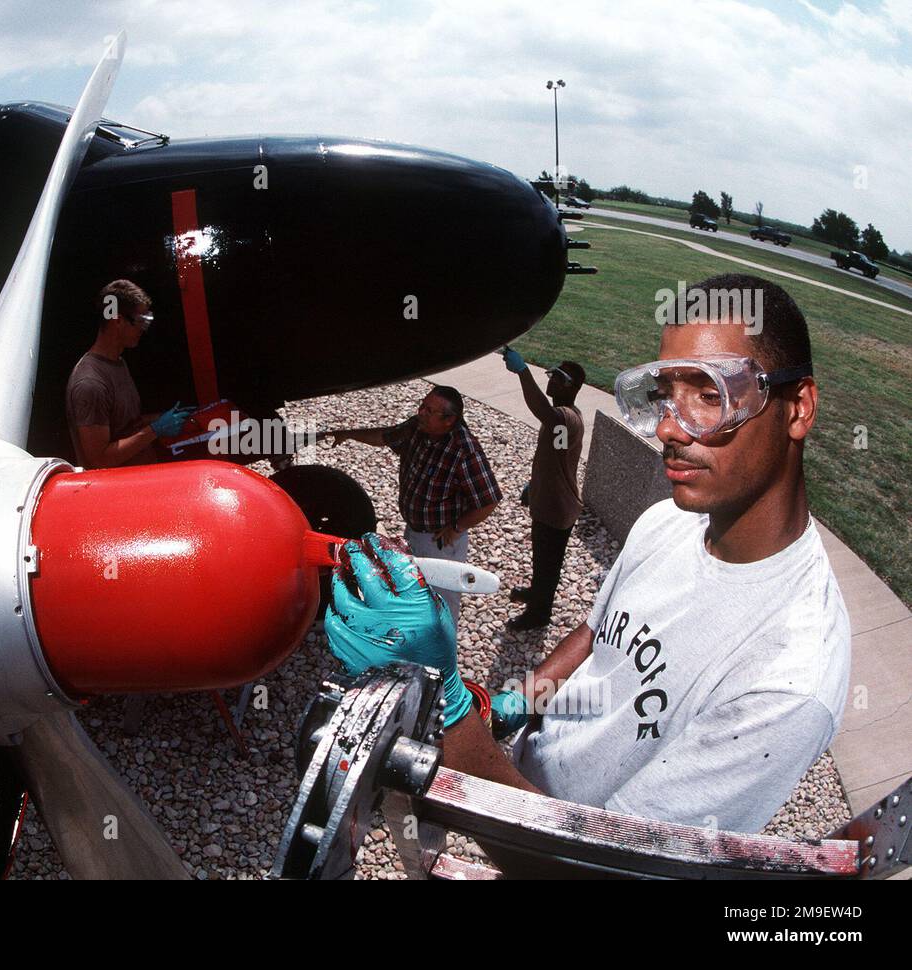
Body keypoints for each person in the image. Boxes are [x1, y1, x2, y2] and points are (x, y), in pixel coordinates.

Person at [327, 275, 850, 834]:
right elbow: (595, 633)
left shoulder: (787, 680)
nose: (670, 428)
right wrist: (520, 702)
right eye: (665, 395)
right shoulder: (667, 520)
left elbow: (596, 866)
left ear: (798, 407)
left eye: (708, 393)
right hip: (524, 776)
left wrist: (448, 709)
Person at [326, 386, 501, 626]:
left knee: (441, 597)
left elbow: (489, 500)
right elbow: (385, 437)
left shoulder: (464, 450)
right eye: (423, 406)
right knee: (415, 588)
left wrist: (457, 527)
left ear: (449, 420)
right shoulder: (418, 428)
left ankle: (441, 648)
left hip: (440, 541)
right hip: (414, 531)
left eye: (430, 411)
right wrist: (349, 434)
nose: (421, 412)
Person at [500, 349, 586, 630]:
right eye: (552, 374)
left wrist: (523, 372)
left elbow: (542, 411)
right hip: (548, 500)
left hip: (557, 508)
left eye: (558, 378)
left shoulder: (563, 417)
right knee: (542, 558)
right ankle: (537, 594)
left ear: (571, 387)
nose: (551, 380)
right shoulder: (562, 419)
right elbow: (556, 457)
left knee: (549, 565)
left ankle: (539, 615)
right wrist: (535, 483)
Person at [65, 279, 194, 468]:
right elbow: (99, 459)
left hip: (141, 472)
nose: (143, 329)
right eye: (140, 321)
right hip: (121, 489)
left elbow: (126, 424)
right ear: (117, 320)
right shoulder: (90, 383)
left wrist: (164, 418)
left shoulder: (118, 362)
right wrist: (155, 430)